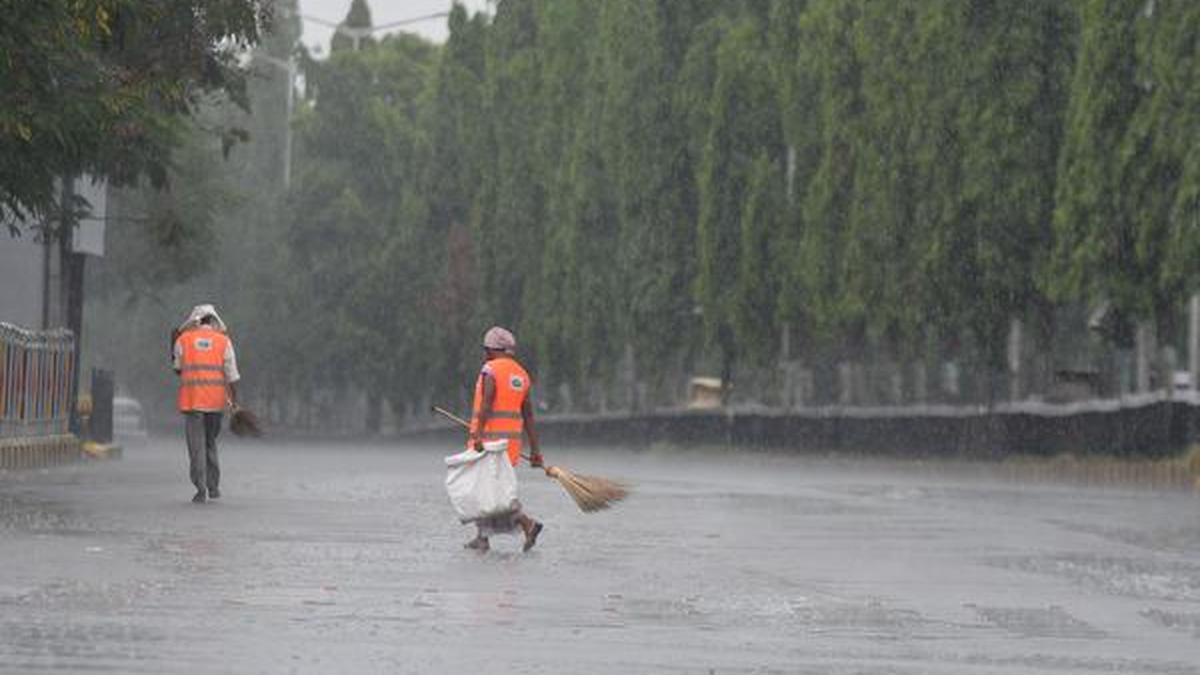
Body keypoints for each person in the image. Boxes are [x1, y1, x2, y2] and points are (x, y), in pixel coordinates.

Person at [464, 326, 545, 552]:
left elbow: (488, 404)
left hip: (487, 444)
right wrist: (536, 450)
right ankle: (482, 537)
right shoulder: (521, 374)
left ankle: (526, 523)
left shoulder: (490, 370)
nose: (484, 353)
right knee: (488, 491)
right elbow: (528, 415)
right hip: (509, 446)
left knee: (490, 491)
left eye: (485, 349)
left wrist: (478, 434)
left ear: (491, 349)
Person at [172, 304, 240, 504]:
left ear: (195, 321)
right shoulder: (224, 342)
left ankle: (200, 488)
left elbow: (177, 369)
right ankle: (214, 486)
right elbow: (233, 377)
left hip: (193, 403)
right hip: (216, 404)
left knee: (196, 447)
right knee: (210, 443)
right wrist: (234, 403)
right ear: (213, 321)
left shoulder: (183, 340)